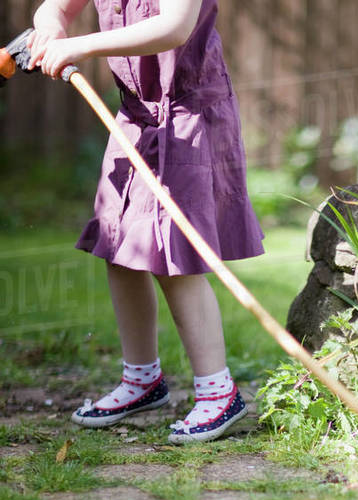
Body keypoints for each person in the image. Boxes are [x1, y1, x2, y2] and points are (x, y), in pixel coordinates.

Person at [28, 0, 264, 444]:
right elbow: (53, 9)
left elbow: (174, 27)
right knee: (119, 246)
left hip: (189, 115)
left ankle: (219, 393)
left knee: (175, 252)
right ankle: (142, 381)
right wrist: (52, 32)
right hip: (135, 116)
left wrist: (81, 46)